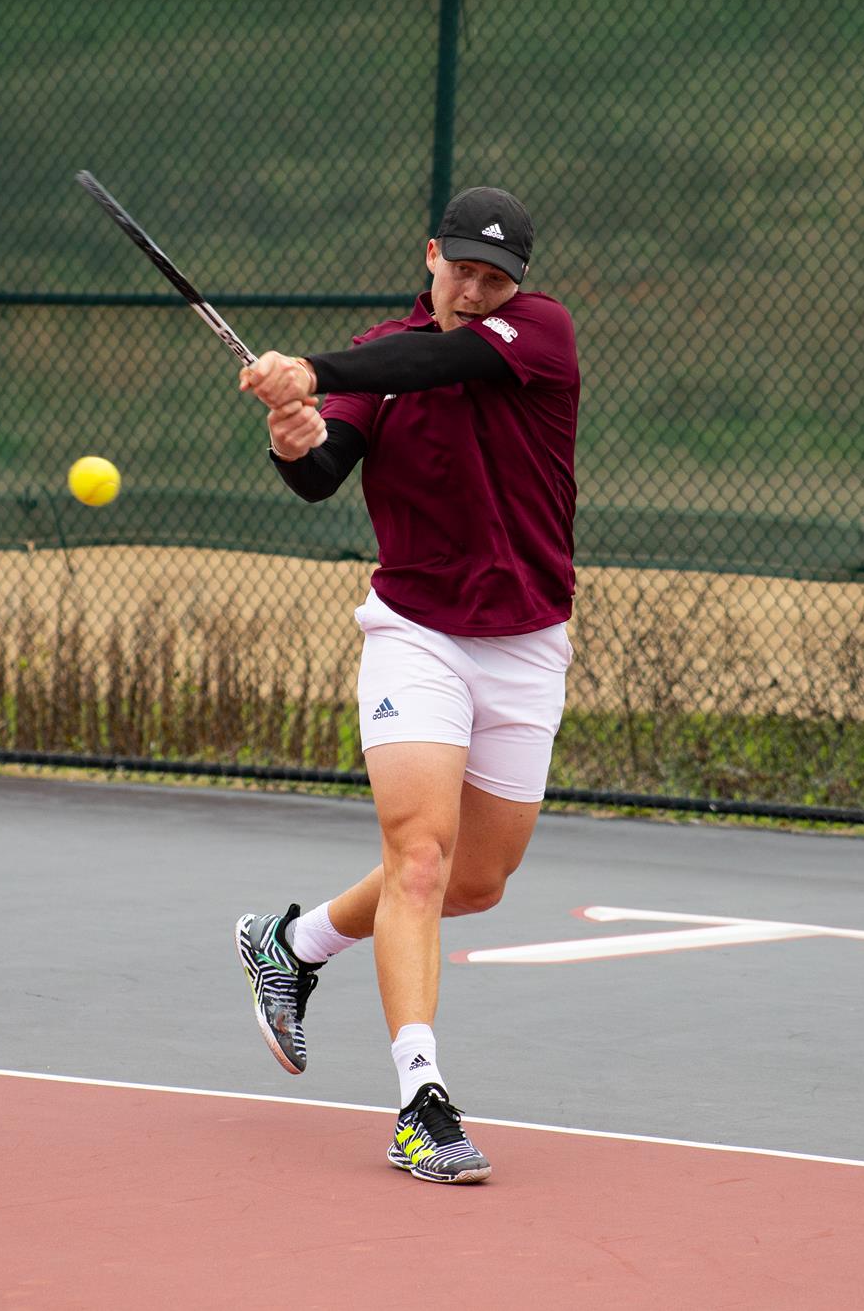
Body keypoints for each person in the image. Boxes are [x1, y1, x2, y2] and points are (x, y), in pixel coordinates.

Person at [232, 186, 579, 1185]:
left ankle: (290, 944)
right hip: (416, 636)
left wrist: (313, 368)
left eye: (494, 277)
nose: (473, 290)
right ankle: (420, 1102)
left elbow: (437, 360)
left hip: (525, 642)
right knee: (418, 860)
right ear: (429, 255)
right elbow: (322, 468)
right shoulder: (377, 357)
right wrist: (294, 435)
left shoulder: (537, 333)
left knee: (475, 880)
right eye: (460, 267)